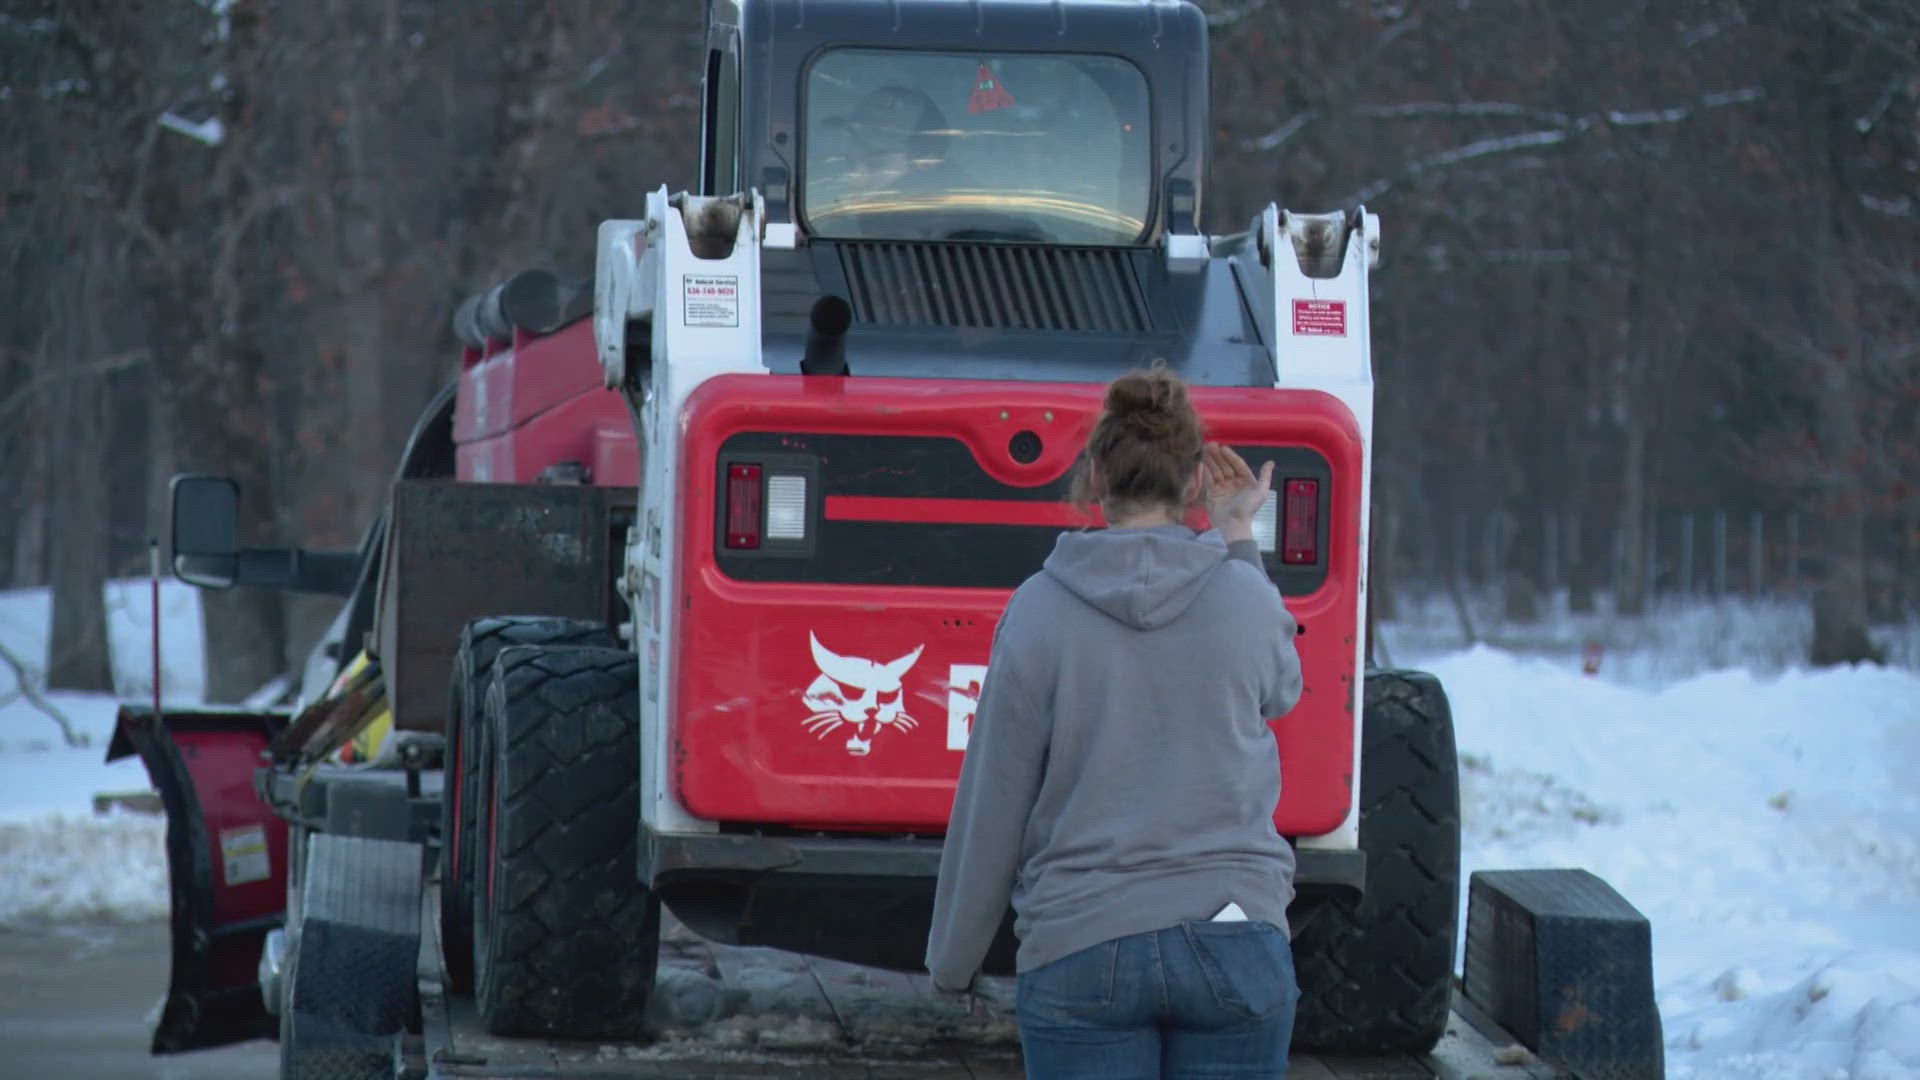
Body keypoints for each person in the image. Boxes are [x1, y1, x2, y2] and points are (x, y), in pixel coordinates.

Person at [926, 367, 1305, 1079]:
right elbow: (1283, 689)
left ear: (1095, 476)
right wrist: (1238, 535)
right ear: (1194, 481)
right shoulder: (1244, 598)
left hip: (1082, 941)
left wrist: (954, 960)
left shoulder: (1039, 610)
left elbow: (995, 798)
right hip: (1235, 935)